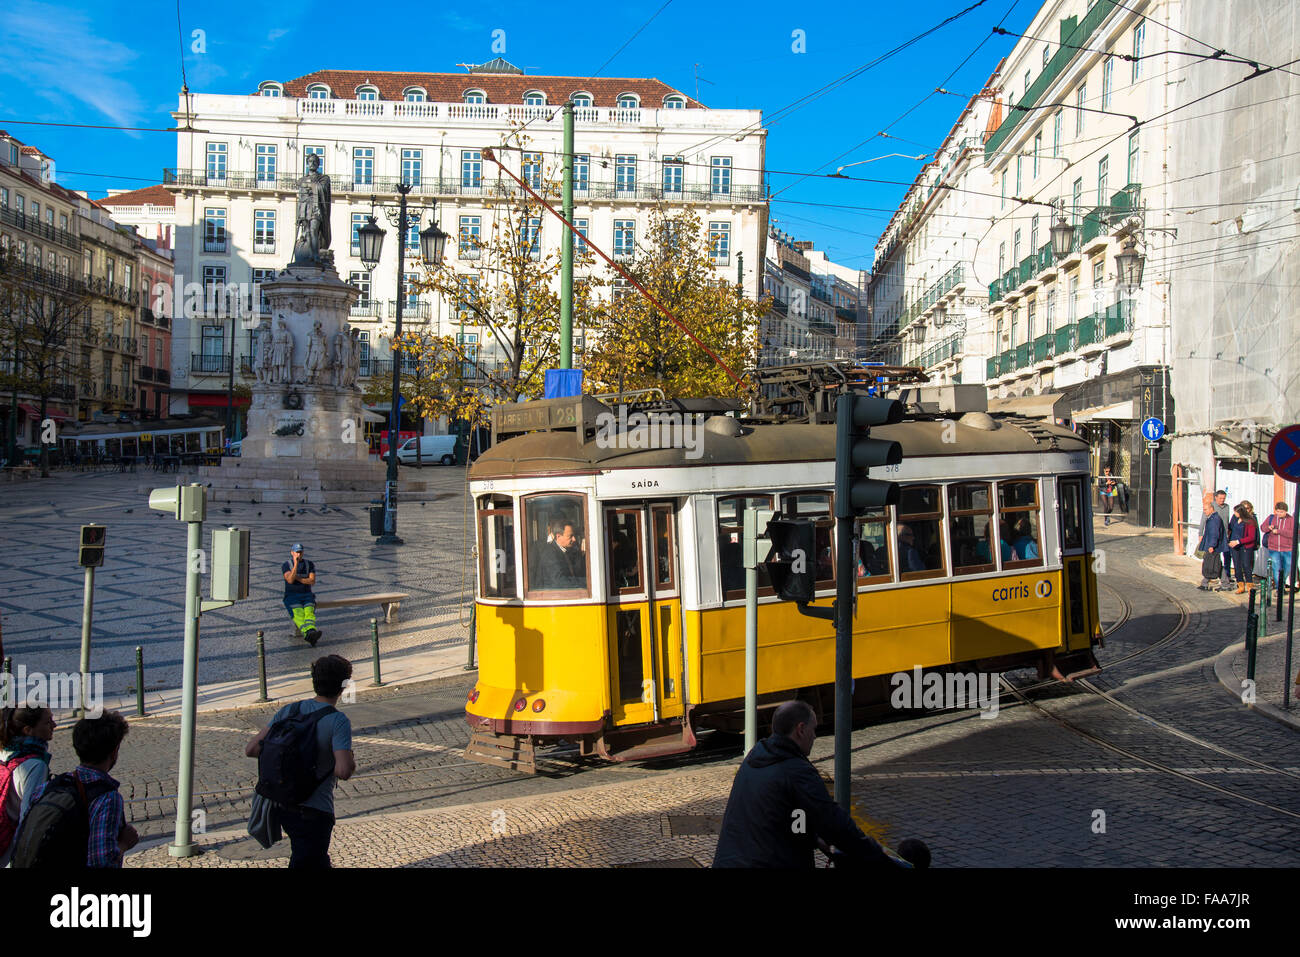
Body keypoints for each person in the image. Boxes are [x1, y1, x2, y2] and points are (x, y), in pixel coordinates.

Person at [713, 700, 918, 869]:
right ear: (800, 730)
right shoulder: (796, 770)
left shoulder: (754, 759)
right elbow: (836, 825)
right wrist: (882, 859)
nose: (815, 736)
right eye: (814, 729)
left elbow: (786, 814)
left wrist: (813, 838)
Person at [245, 655, 355, 868]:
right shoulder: (337, 721)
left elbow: (252, 749)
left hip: (283, 804)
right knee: (308, 860)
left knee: (313, 859)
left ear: (314, 681)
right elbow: (343, 770)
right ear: (344, 686)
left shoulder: (290, 710)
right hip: (315, 809)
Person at [12, 711, 137, 868]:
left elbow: (21, 839)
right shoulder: (106, 797)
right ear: (114, 752)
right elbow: (101, 863)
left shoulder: (47, 788)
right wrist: (124, 844)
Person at [0, 705, 55, 867]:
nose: (54, 725)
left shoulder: (3, 754)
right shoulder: (35, 766)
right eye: (47, 722)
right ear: (28, 730)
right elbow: (29, 818)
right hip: (10, 854)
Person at [283, 543, 321, 645]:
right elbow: (290, 580)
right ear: (292, 553)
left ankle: (311, 631)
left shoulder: (309, 564)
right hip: (292, 596)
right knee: (298, 613)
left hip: (306, 594)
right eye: (296, 552)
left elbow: (312, 581)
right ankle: (308, 633)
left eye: (300, 552)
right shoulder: (287, 565)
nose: (298, 555)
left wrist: (298, 578)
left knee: (309, 612)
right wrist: (295, 565)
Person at [534, 520, 585, 590]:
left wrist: (582, 554)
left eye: (574, 535)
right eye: (570, 536)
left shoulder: (565, 550)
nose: (574, 539)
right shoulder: (549, 553)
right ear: (558, 536)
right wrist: (588, 582)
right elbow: (560, 582)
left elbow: (576, 572)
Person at [1196, 497, 1231, 591]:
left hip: (1213, 546)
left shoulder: (1214, 519)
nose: (1204, 511)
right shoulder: (1212, 517)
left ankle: (1209, 583)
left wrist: (1212, 545)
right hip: (1212, 545)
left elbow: (1214, 534)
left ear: (1211, 509)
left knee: (1213, 564)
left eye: (1205, 509)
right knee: (1214, 563)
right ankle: (1222, 584)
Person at [1260, 502, 1295, 594]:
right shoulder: (1272, 518)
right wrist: (1268, 527)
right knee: (1276, 568)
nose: (1279, 514)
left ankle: (1281, 583)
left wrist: (1279, 531)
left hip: (1288, 548)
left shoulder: (1291, 520)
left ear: (1286, 511)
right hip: (1274, 548)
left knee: (1288, 567)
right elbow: (1262, 528)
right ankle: (1279, 588)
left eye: (1281, 512)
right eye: (1278, 511)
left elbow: (1293, 533)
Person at [1227, 504, 1255, 593]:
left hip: (1245, 546)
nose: (1234, 513)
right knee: (1237, 566)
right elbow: (1230, 529)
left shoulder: (1250, 521)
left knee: (1246, 565)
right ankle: (1240, 585)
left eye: (1236, 512)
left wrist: (1238, 541)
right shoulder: (1235, 519)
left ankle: (1250, 586)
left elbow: (1251, 537)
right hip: (1234, 546)